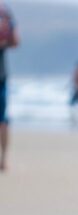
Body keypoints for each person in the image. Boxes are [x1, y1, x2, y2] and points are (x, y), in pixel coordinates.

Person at [0, 2, 20, 172]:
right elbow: (15, 42)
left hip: (1, 76)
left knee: (3, 120)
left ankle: (4, 159)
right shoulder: (5, 14)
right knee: (3, 120)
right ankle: (4, 160)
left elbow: (15, 42)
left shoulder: (5, 14)